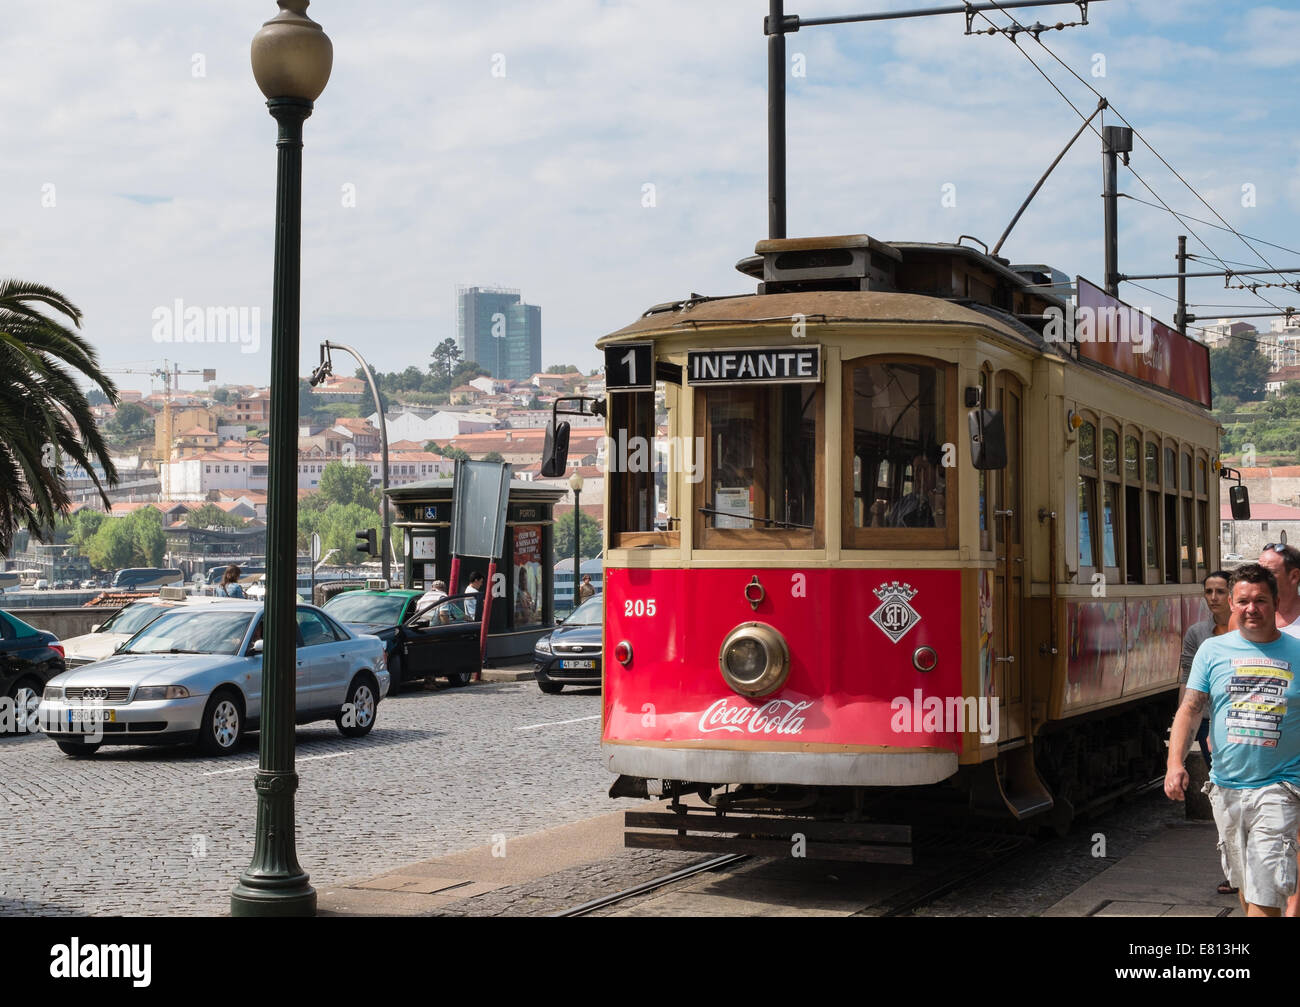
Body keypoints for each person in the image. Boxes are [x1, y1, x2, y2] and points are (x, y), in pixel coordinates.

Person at [1165, 563, 1300, 917]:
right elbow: (1190, 709)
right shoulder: (1212, 651)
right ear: (1233, 603)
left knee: (1266, 892)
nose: (1251, 608)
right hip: (1225, 788)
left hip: (1281, 787)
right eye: (1243, 601)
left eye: (1260, 600)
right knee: (1245, 883)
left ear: (1275, 602)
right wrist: (1175, 763)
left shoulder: (1298, 654)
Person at [1178, 569, 1233, 894]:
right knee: (1222, 795)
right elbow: (1187, 681)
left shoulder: (1249, 631)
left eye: (1220, 591)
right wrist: (1181, 725)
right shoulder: (1198, 633)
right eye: (1208, 591)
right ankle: (1233, 869)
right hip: (1209, 723)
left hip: (1241, 724)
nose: (1214, 597)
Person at [1256, 542, 1300, 916]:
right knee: (1265, 838)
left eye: (1269, 571)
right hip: (1260, 744)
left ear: (1293, 576)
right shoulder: (1252, 619)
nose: (1261, 577)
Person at [883, 452, 942, 528]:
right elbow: (885, 527)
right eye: (914, 470)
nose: (916, 475)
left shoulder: (944, 502)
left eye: (921, 470)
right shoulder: (905, 501)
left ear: (938, 471)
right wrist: (878, 515)